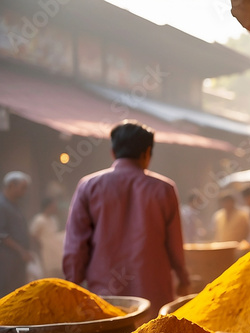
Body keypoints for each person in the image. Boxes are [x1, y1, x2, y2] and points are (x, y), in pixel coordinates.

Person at [63, 121, 190, 311]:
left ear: (113, 152)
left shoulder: (88, 186)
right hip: (154, 292)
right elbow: (175, 245)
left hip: (105, 294)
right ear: (147, 153)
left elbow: (76, 245)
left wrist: (72, 284)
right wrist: (183, 278)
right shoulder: (164, 189)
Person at [0, 172, 32, 295]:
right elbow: (2, 234)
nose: (25, 192)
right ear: (12, 185)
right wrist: (21, 251)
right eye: (23, 188)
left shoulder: (14, 205)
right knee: (6, 293)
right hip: (7, 259)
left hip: (17, 260)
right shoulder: (2, 205)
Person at [29, 198, 64, 278]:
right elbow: (33, 236)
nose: (55, 208)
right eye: (53, 206)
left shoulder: (53, 219)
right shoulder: (39, 220)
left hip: (55, 254)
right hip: (45, 255)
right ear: (48, 207)